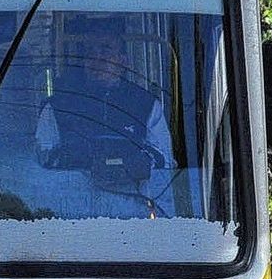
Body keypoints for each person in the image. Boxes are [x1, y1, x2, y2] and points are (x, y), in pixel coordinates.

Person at [35, 33, 173, 181]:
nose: (97, 59)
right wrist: (76, 157)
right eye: (90, 53)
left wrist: (141, 162)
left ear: (123, 61)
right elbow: (42, 159)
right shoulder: (57, 105)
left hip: (139, 196)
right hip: (70, 195)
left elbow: (165, 160)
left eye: (106, 51)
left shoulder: (147, 104)